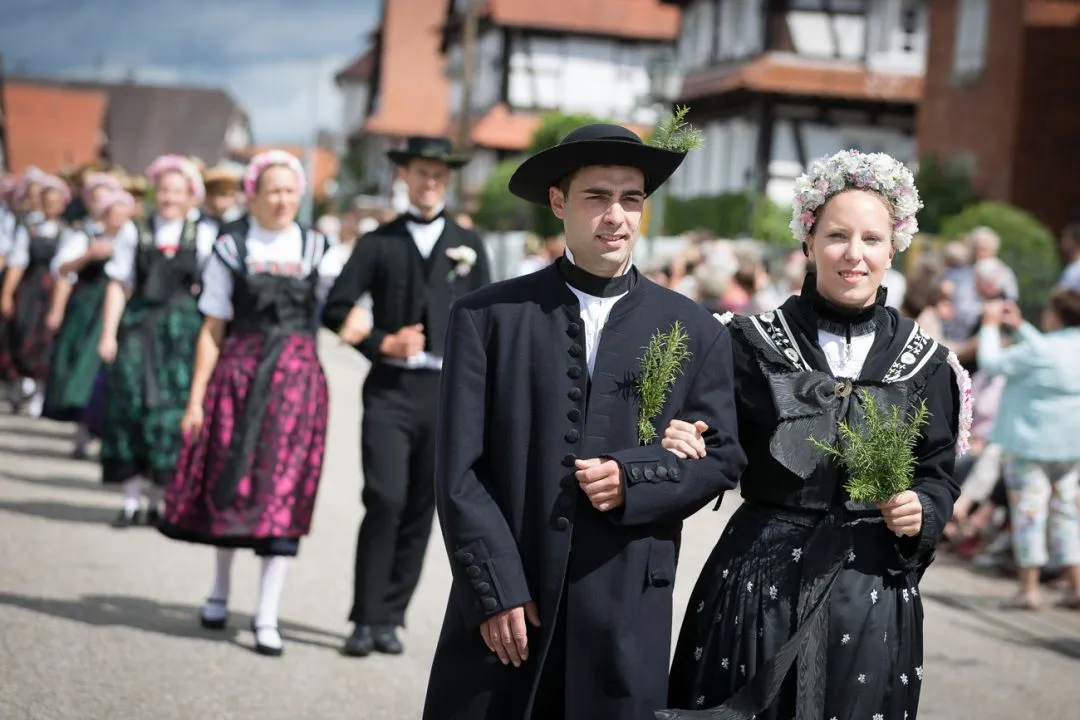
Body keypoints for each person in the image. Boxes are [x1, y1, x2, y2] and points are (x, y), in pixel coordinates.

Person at [421, 122, 747, 719]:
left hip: (624, 606)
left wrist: (638, 475)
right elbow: (458, 472)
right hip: (511, 602)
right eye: (596, 197)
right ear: (558, 202)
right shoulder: (486, 318)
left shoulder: (697, 330)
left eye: (631, 199)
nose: (615, 216)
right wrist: (494, 590)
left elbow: (723, 457)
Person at [658, 150, 971, 720]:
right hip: (758, 584)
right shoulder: (747, 342)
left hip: (869, 590)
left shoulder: (926, 363)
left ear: (894, 247)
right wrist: (682, 443)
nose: (854, 255)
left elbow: (938, 471)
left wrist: (921, 508)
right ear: (807, 241)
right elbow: (713, 449)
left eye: (872, 239)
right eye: (837, 236)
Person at [322, 135, 492, 658]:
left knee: (422, 505)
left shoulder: (469, 242)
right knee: (385, 498)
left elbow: (490, 321)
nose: (430, 182)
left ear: (448, 180)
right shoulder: (378, 241)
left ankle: (391, 618)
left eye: (439, 175)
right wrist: (380, 342)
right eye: (421, 173)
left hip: (444, 395)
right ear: (405, 176)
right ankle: (365, 616)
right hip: (391, 391)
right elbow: (334, 308)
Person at [158, 150, 333, 656]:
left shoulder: (319, 247)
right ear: (252, 196)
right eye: (272, 190)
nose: (282, 200)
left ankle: (266, 613)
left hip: (297, 386)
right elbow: (211, 329)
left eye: (289, 190)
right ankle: (219, 589)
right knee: (229, 480)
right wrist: (196, 400)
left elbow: (342, 310)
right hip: (238, 376)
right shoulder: (230, 248)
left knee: (281, 491)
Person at [98, 155, 217, 527]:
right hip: (140, 327)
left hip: (181, 332)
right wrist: (109, 334)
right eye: (163, 190)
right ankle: (130, 500)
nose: (168, 198)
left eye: (176, 191)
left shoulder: (204, 235)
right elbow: (119, 284)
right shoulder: (136, 230)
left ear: (190, 196)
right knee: (131, 406)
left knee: (171, 411)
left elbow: (212, 289)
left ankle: (159, 500)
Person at [975, 290, 1080, 609]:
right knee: (1067, 512)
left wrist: (990, 326)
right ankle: (1077, 586)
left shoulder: (1042, 348)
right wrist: (1020, 326)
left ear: (1055, 315)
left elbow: (991, 363)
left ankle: (1029, 589)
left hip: (1028, 444)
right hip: (1070, 444)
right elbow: (1044, 349)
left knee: (1029, 513)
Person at [42, 187, 134, 457]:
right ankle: (83, 431)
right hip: (89, 311)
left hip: (121, 313)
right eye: (113, 215)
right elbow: (61, 271)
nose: (117, 221)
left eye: (122, 216)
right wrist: (88, 256)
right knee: (86, 372)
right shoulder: (85, 236)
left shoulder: (134, 240)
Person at [0, 174, 72, 417]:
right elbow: (18, 261)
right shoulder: (28, 227)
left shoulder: (67, 232)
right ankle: (19, 380)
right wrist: (7, 293)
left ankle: (38, 389)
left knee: (46, 338)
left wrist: (58, 305)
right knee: (21, 331)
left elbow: (64, 271)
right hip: (30, 287)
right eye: (47, 201)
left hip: (51, 289)